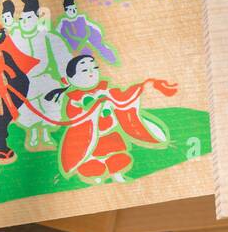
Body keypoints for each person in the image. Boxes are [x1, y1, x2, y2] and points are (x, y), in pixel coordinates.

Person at [56, 55, 177, 185]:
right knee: (90, 160)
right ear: (71, 78)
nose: (91, 72)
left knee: (117, 156)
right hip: (89, 137)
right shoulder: (75, 99)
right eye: (85, 70)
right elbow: (74, 117)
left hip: (110, 134)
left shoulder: (106, 90)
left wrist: (138, 87)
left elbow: (122, 98)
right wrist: (92, 108)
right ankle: (96, 177)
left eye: (94, 68)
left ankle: (117, 175)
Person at [12, 0, 73, 152]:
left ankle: (45, 133)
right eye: (23, 20)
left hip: (45, 78)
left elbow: (61, 56)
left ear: (37, 18)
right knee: (27, 109)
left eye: (29, 19)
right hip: (24, 82)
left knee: (49, 105)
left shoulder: (47, 36)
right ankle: (32, 133)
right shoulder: (15, 38)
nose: (25, 23)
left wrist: (64, 75)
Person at [57, 0, 118, 65]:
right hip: (74, 42)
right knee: (85, 53)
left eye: (74, 9)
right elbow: (58, 34)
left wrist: (95, 35)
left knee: (99, 46)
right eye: (70, 9)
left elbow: (91, 26)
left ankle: (111, 59)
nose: (73, 11)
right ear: (66, 11)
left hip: (87, 36)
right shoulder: (64, 22)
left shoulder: (81, 18)